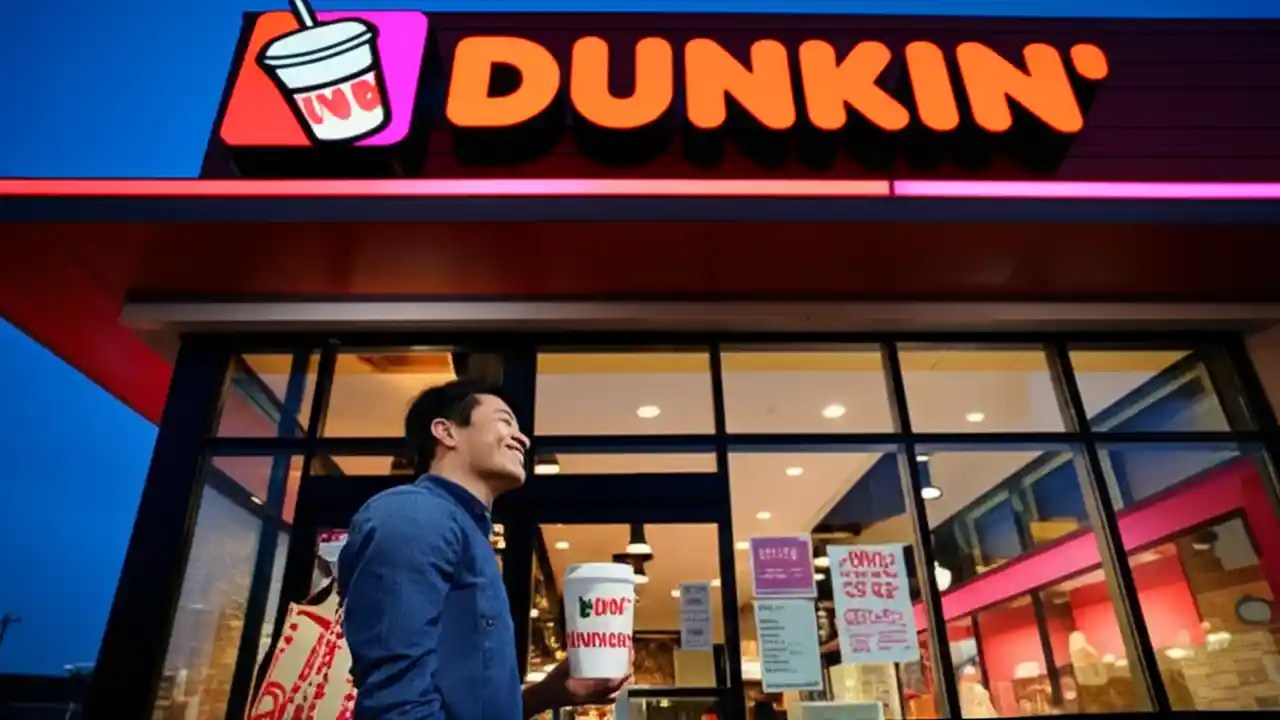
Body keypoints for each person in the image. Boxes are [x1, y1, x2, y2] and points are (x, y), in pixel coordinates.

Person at [338, 379, 631, 719]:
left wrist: (550, 693)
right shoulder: (414, 514)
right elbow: (397, 697)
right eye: (504, 421)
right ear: (446, 432)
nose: (523, 438)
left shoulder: (467, 532)